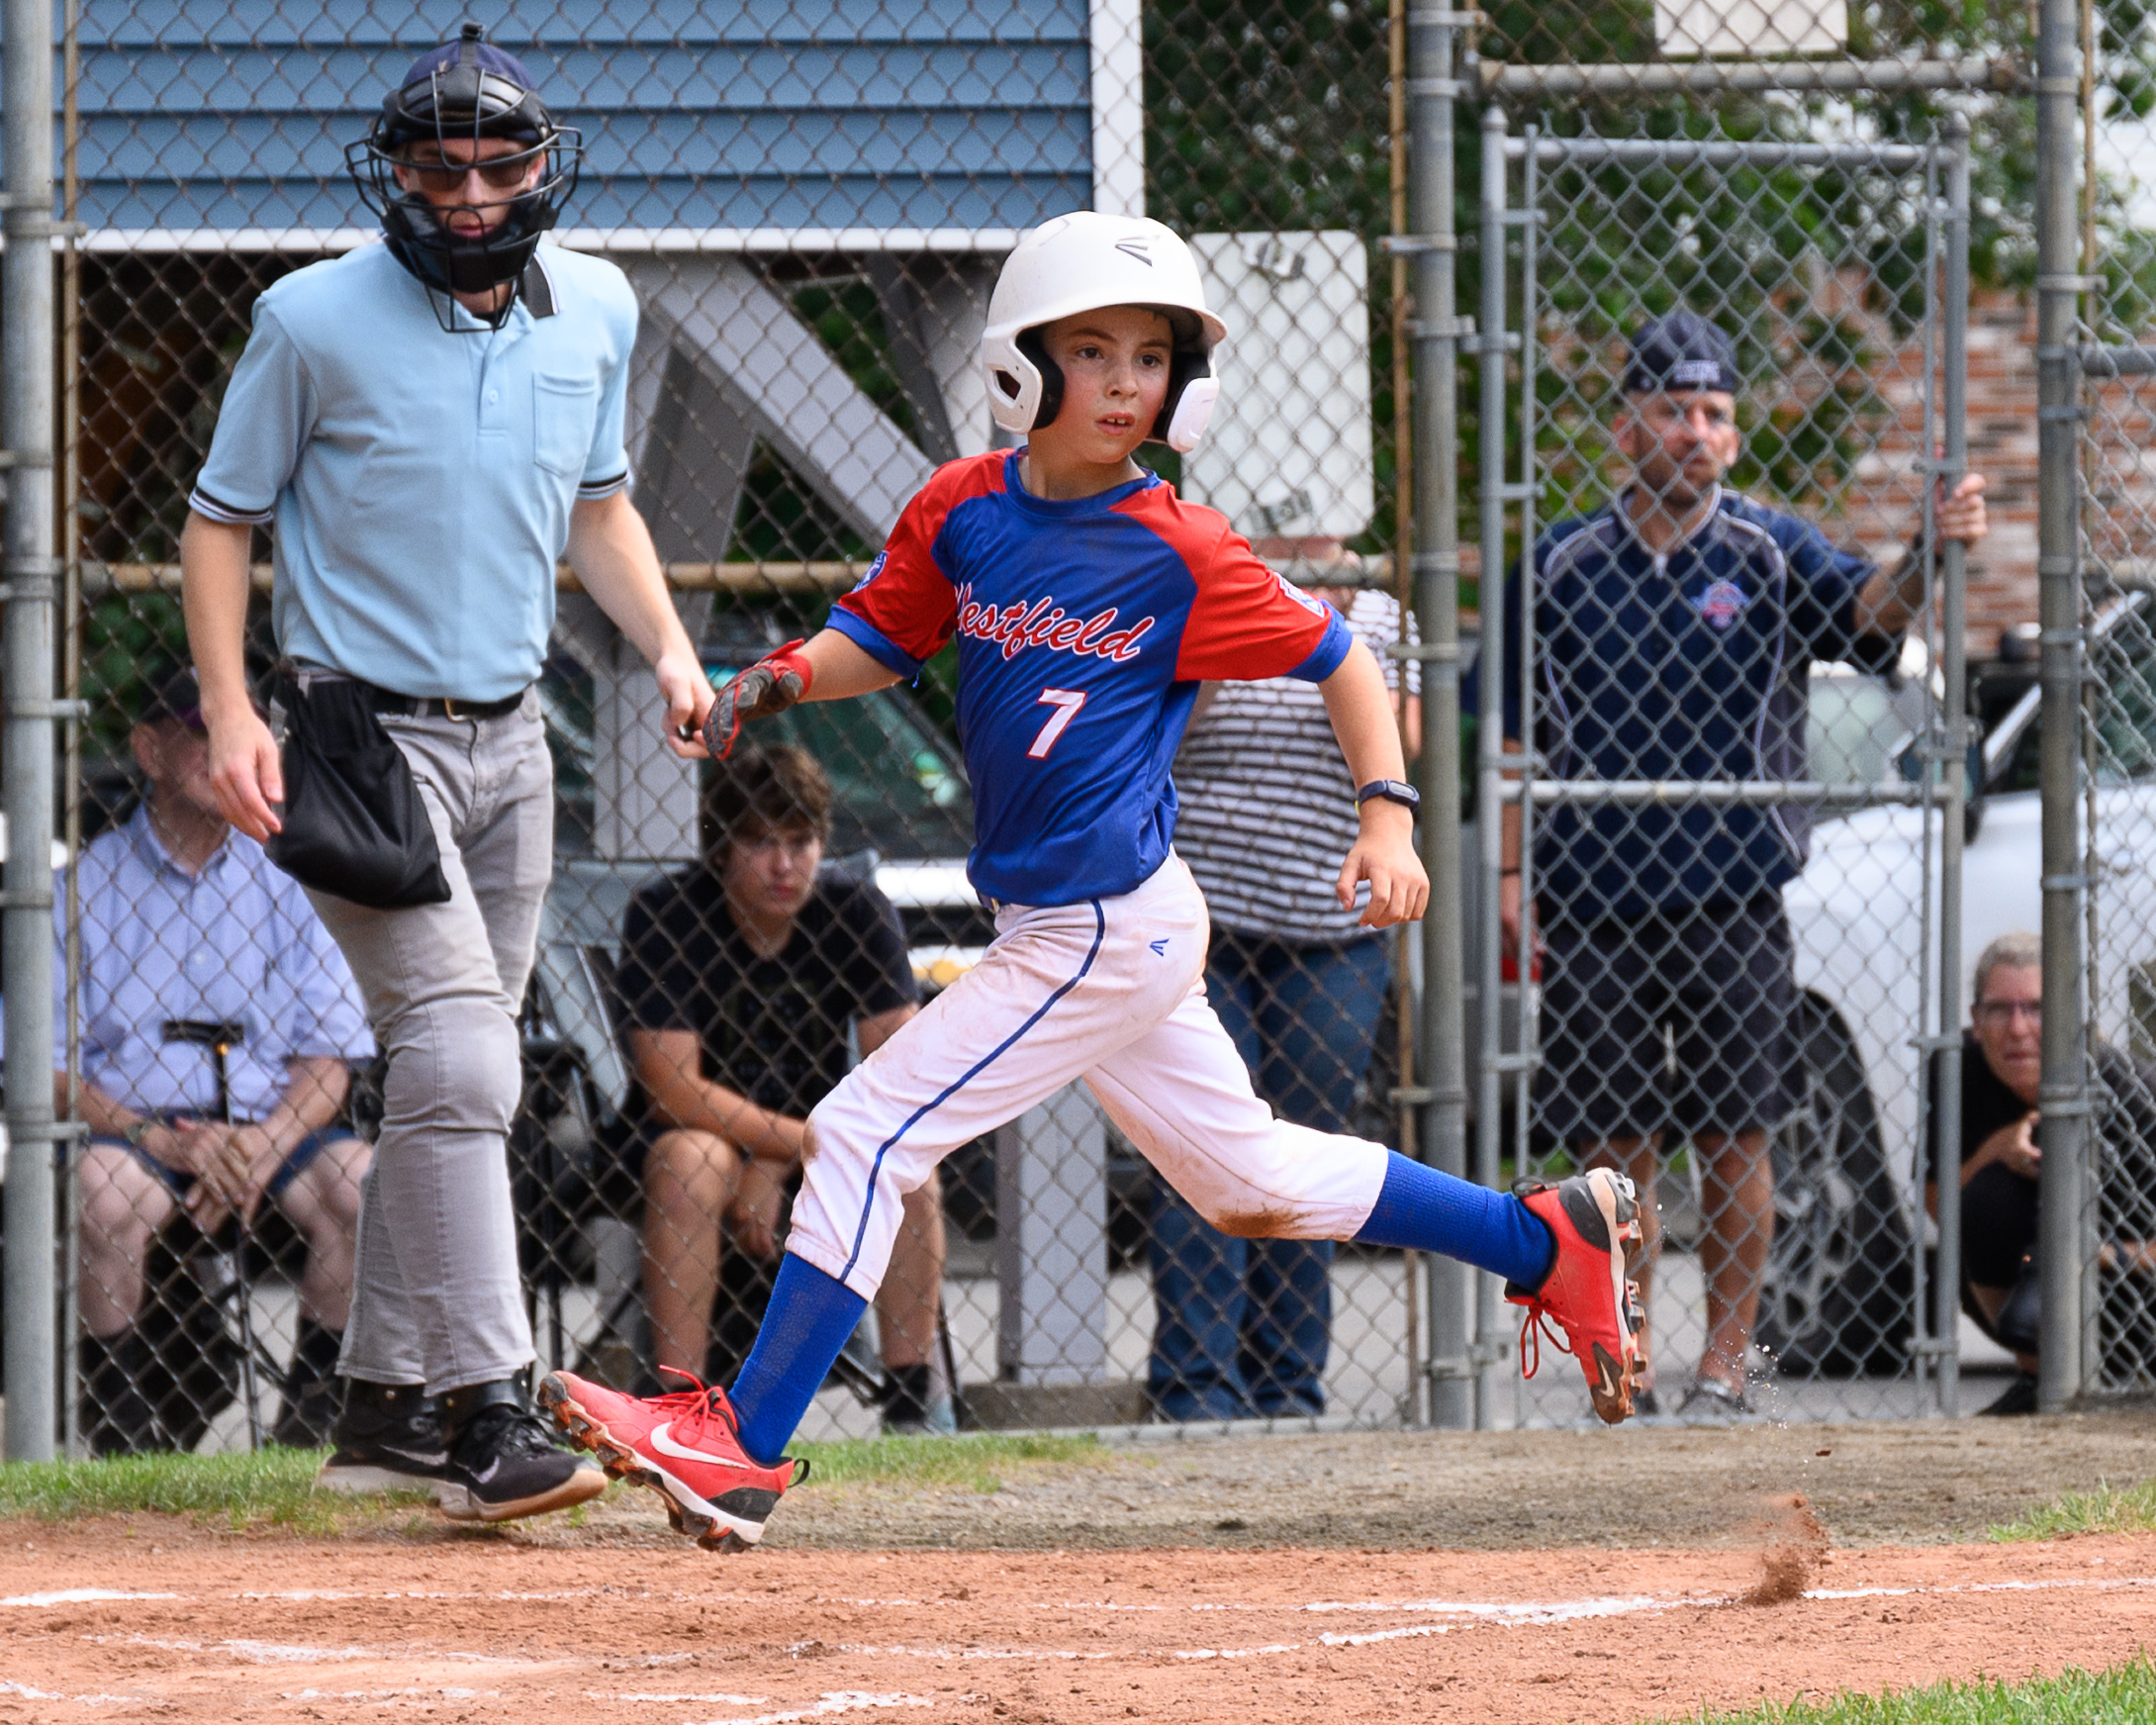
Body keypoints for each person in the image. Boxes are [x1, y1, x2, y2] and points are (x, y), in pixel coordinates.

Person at [537, 211, 1646, 1553]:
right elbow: (876, 638)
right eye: (1093, 352)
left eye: (1149, 358)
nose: (1126, 382)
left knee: (869, 1129)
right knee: (1239, 1176)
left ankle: (744, 1442)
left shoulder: (1178, 545)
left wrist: (1387, 818)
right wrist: (769, 681)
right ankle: (1542, 1240)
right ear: (1021, 365)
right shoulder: (962, 506)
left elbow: (1344, 659)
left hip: (1100, 923)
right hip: (1095, 922)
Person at [180, 26, 712, 1521]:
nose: (471, 193)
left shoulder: (597, 307)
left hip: (511, 734)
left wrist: (666, 644)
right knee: (470, 1060)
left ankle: (379, 1406)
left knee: (440, 1076)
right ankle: (489, 1406)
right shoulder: (311, 320)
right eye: (438, 165)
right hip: (361, 738)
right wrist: (233, 711)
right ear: (393, 171)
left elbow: (597, 505)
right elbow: (220, 523)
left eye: (499, 163)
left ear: (542, 167)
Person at [1473, 310, 1990, 1421]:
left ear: (1734, 433)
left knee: (1735, 1133)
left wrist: (1929, 551)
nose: (1693, 432)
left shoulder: (1770, 550)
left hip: (1734, 891)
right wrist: (1512, 885)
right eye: (1671, 411)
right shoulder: (1558, 564)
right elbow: (1508, 744)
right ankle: (1628, 1359)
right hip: (1592, 893)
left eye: (1713, 414)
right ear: (1628, 428)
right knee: (1612, 1147)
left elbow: (1871, 617)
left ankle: (1727, 1364)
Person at [64, 668, 373, 1454]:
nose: (226, 746)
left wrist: (260, 1145)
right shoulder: (85, 887)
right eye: (202, 730)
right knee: (102, 1193)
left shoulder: (296, 879)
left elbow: (330, 1059)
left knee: (361, 1182)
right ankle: (120, 1422)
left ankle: (311, 1419)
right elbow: (44, 1067)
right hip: (137, 1136)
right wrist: (158, 1138)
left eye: (244, 728)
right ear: (149, 749)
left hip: (271, 1134)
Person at [616, 744, 953, 1432]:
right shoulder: (666, 913)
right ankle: (681, 1412)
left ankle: (913, 1399)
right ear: (721, 847)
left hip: (817, 1136)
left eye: (800, 842)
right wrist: (805, 1143)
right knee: (694, 1161)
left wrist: (781, 1159)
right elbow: (674, 1090)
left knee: (910, 1171)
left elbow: (902, 1068)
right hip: (690, 1137)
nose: (784, 865)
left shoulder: (855, 907)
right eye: (761, 842)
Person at [1148, 586, 1419, 1420]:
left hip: (1330, 926)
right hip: (1205, 920)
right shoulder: (1203, 587)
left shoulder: (1378, 618)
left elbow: (1401, 745)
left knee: (1307, 1146)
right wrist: (1238, 638)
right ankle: (1195, 1385)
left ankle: (1287, 1385)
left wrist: (1319, 639)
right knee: (1201, 1143)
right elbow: (1153, 737)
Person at [1926, 931, 2156, 1414]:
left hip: (2129, 1280)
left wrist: (2094, 1255)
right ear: (1975, 1021)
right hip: (2023, 1283)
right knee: (1986, 1199)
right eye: (1999, 1010)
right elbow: (1936, 1204)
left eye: (2035, 1008)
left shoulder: (2130, 1091)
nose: (2018, 1029)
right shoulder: (1957, 1070)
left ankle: (2118, 1377)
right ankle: (2036, 1378)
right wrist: (1994, 1150)